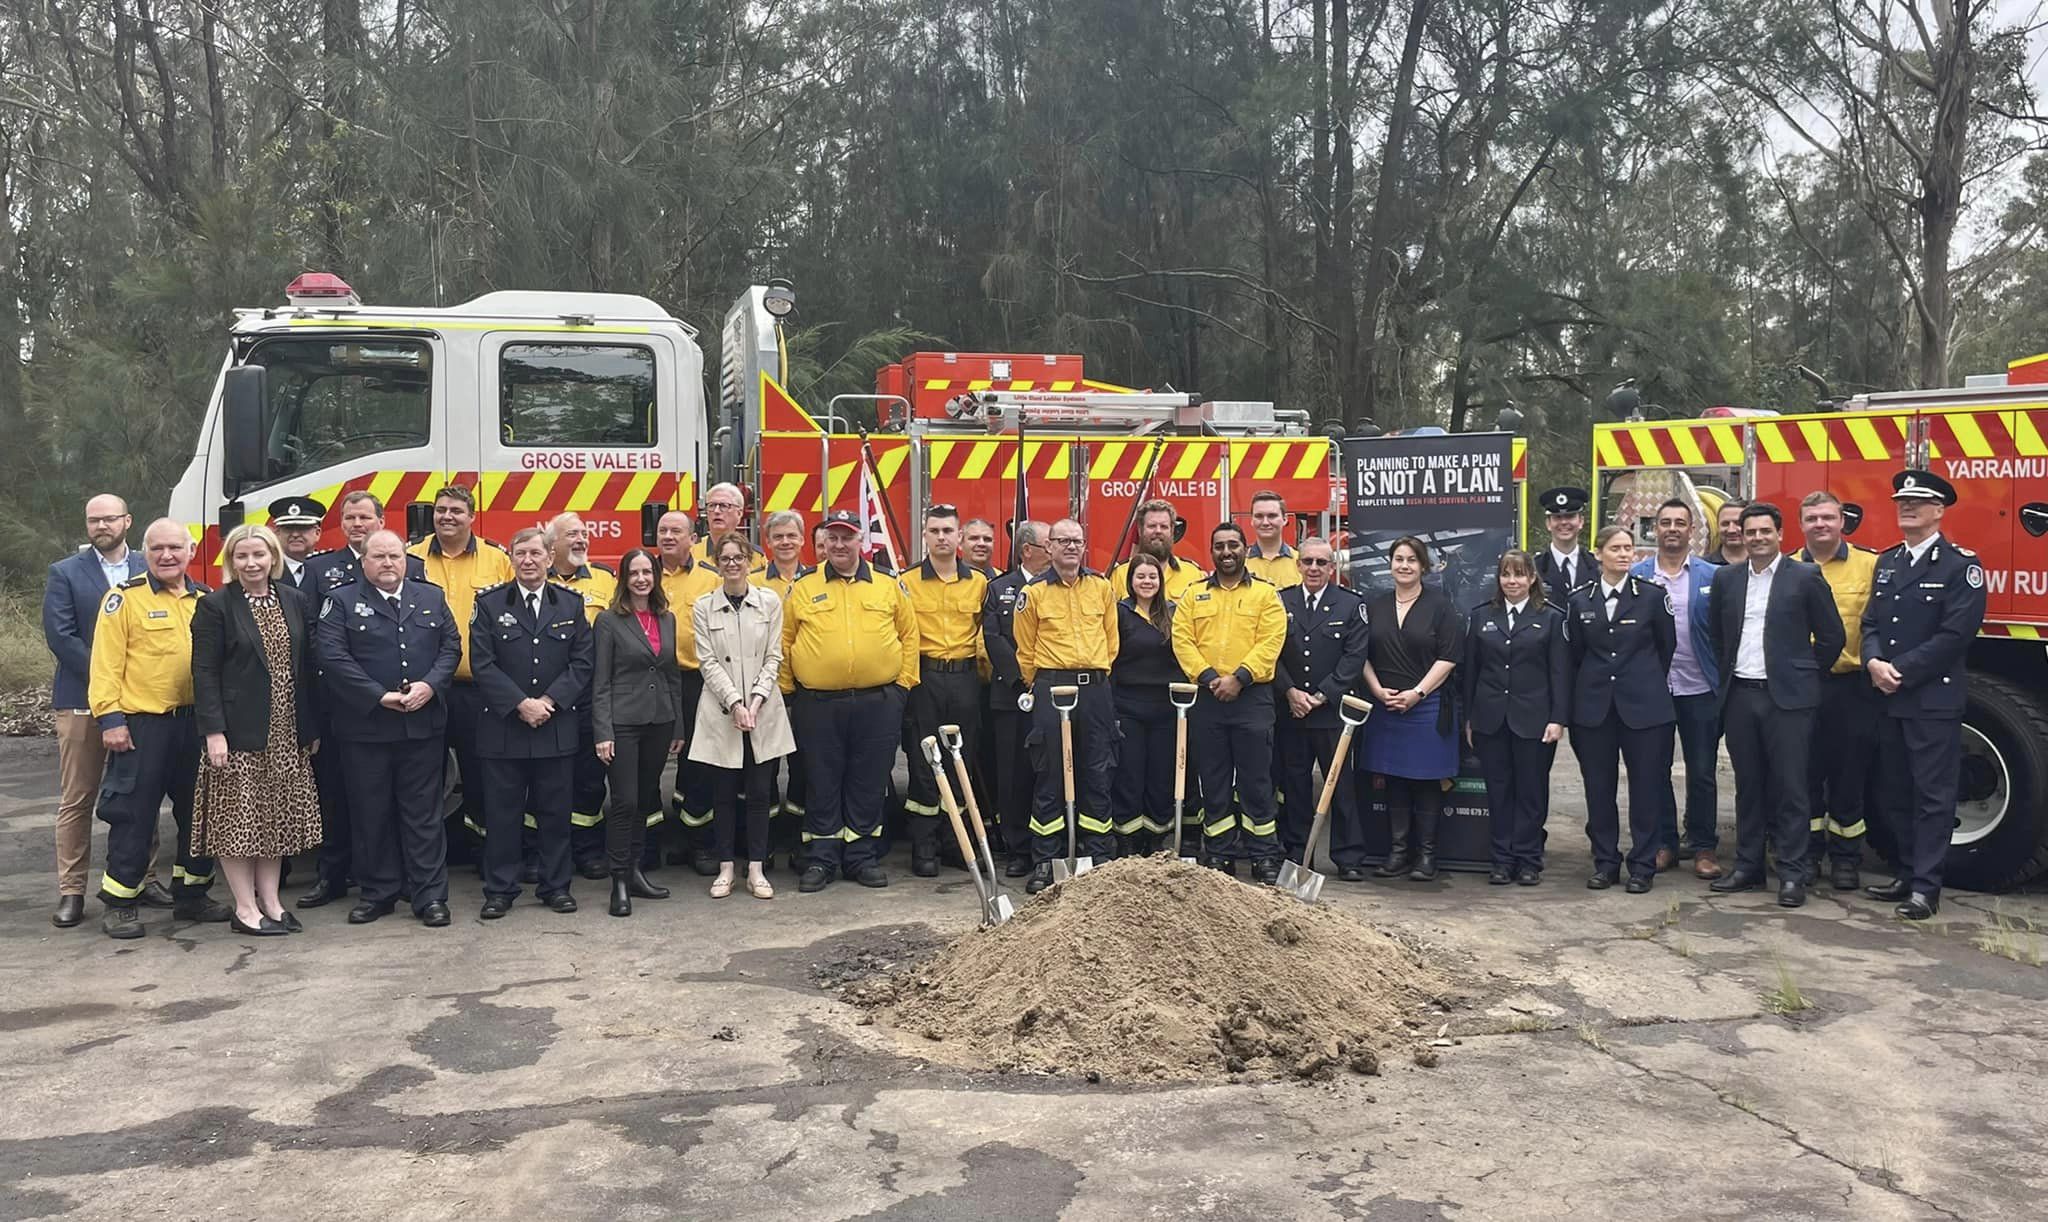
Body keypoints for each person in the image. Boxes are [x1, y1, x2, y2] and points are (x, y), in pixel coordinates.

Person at [87, 519, 227, 938]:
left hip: (196, 726)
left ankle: (192, 895)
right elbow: (105, 665)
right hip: (143, 726)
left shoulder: (206, 599)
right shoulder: (123, 599)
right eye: (157, 549)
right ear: (145, 553)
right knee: (133, 814)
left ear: (190, 550)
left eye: (174, 548)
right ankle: (121, 901)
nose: (167, 556)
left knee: (199, 815)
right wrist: (110, 719)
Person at [316, 529, 461, 926]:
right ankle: (378, 893)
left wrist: (430, 685)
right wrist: (378, 696)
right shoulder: (341, 601)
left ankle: (429, 895)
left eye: (394, 556)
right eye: (378, 557)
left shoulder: (430, 596)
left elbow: (451, 647)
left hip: (422, 726)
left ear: (406, 559)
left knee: (424, 815)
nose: (387, 564)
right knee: (371, 813)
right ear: (363, 562)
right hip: (367, 729)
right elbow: (332, 656)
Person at [1861, 470, 1987, 920]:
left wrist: (1900, 670)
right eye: (1901, 502)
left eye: (1918, 502)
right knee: (1894, 791)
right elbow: (1872, 623)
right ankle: (1906, 872)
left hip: (1931, 698)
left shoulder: (1960, 566)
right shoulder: (1889, 561)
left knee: (1933, 796)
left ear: (1939, 510)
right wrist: (1873, 662)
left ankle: (1926, 889)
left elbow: (1955, 635)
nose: (1907, 508)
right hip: (1888, 695)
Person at [1707, 503, 1845, 908]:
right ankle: (1748, 867)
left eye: (1765, 531)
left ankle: (1791, 872)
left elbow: (1832, 636)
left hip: (1788, 700)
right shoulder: (1727, 579)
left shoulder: (1805, 576)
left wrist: (1804, 675)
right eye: (1750, 532)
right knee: (1748, 787)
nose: (1757, 538)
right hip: (1741, 696)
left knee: (1791, 788)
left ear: (1780, 534)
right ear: (1742, 536)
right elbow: (1717, 636)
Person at [192, 524, 323, 936]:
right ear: (231, 561)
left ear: (273, 558)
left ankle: (271, 902)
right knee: (239, 822)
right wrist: (214, 732)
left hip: (287, 730)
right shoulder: (216, 606)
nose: (251, 563)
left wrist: (310, 725)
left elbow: (308, 669)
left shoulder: (295, 600)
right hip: (239, 733)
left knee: (274, 820)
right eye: (242, 556)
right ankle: (245, 909)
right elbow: (204, 672)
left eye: (259, 555)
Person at [298, 490, 425, 911]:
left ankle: (405, 880)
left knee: (404, 802)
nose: (356, 523)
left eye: (364, 517)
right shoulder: (321, 569)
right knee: (339, 794)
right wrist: (361, 687)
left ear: (380, 521)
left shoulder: (413, 566)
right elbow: (315, 636)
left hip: (404, 705)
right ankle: (332, 875)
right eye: (349, 517)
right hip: (343, 703)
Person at [782, 509, 918, 892]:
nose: (840, 545)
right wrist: (789, 694)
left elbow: (910, 636)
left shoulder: (887, 584)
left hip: (878, 702)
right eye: (833, 538)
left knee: (869, 780)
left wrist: (902, 688)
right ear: (823, 543)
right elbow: (786, 640)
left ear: (862, 541)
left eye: (848, 537)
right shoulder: (804, 587)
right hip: (818, 704)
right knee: (821, 780)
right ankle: (822, 859)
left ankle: (861, 856)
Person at [43, 493, 156, 929]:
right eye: (94, 520)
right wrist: (108, 676)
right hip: (81, 700)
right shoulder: (65, 573)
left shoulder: (149, 567)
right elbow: (62, 636)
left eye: (109, 518)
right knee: (79, 797)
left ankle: (142, 879)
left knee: (137, 791)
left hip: (139, 701)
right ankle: (72, 890)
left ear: (127, 520)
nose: (101, 526)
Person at [471, 528, 595, 918]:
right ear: (510, 556)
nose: (528, 560)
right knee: (502, 815)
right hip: (504, 729)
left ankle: (555, 886)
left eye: (535, 553)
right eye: (520, 553)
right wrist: (521, 704)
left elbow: (582, 662)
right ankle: (500, 890)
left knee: (555, 814)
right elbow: (482, 663)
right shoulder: (489, 604)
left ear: (549, 556)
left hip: (554, 727)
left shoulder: (570, 604)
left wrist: (548, 702)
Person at [1174, 522, 1288, 880]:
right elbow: (1182, 639)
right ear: (1212, 552)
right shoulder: (1193, 595)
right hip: (1208, 697)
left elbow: (1272, 641)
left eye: (1233, 545)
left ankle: (1264, 855)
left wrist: (1239, 678)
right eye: (1220, 546)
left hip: (1252, 697)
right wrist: (1209, 677)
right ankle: (1219, 853)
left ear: (1245, 549)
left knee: (1257, 781)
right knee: (1214, 779)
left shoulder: (1266, 595)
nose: (1227, 552)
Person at [1567, 525, 1676, 893]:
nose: (1624, 554)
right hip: (1595, 708)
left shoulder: (1651, 596)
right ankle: (1605, 862)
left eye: (1628, 548)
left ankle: (1643, 865)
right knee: (1599, 788)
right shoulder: (1580, 599)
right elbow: (1576, 654)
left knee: (1646, 787)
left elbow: (1666, 648)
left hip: (1644, 707)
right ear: (1598, 554)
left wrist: (1639, 682)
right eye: (1615, 548)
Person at [408, 485, 515, 861]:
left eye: (456, 510)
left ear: (472, 516)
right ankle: (427, 858)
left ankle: (483, 854)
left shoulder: (498, 560)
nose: (447, 517)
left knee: (482, 776)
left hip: (478, 690)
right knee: (424, 779)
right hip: (425, 690)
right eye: (441, 510)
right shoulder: (412, 558)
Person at [1015, 518, 1120, 893]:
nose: (1071, 547)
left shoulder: (1102, 587)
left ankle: (1098, 855)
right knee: (1050, 773)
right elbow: (1024, 649)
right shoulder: (1035, 593)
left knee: (1097, 768)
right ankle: (1046, 858)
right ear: (1049, 548)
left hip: (1093, 689)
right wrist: (1041, 684)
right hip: (1051, 687)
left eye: (1077, 540)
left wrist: (1092, 675)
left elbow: (1111, 641)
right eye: (1063, 541)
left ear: (1084, 546)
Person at [692, 534, 797, 899]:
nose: (732, 564)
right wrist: (735, 703)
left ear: (750, 561)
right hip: (722, 712)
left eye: (739, 557)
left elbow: (774, 657)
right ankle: (725, 868)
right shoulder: (704, 607)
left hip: (763, 710)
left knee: (758, 792)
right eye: (725, 558)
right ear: (717, 563)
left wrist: (754, 702)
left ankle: (755, 868)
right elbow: (707, 662)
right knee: (721, 793)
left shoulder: (769, 602)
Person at [1358, 537, 1465, 882]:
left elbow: (1448, 657)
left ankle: (1427, 856)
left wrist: (1417, 693)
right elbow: (1358, 653)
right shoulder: (1374, 605)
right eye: (1398, 559)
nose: (1404, 565)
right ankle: (1398, 852)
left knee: (1426, 782)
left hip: (1427, 704)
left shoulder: (1441, 605)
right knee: (1394, 781)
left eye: (1411, 560)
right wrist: (1376, 690)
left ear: (1423, 566)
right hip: (1384, 705)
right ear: (1390, 564)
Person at [1463, 550, 1571, 886]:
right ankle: (1501, 860)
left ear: (1532, 578)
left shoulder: (1551, 618)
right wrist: (1469, 718)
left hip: (1534, 720)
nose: (1512, 581)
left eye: (1520, 574)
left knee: (1531, 791)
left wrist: (1558, 718)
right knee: (1498, 792)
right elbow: (1471, 672)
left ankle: (1528, 860)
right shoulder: (1482, 616)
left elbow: (1560, 673)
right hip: (1491, 718)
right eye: (1506, 574)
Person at [1630, 499, 1725, 879]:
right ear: (1655, 529)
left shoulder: (1712, 577)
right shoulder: (1637, 576)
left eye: (1680, 523)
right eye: (1665, 522)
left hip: (1699, 687)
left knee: (1702, 771)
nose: (1672, 528)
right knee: (1655, 770)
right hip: (1653, 689)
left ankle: (1703, 847)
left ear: (1692, 530)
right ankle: (1664, 843)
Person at [1796, 491, 1881, 891]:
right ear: (1802, 525)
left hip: (1851, 686)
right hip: (1802, 685)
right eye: (1812, 518)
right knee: (1805, 773)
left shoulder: (1870, 565)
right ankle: (1809, 854)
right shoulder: (1787, 567)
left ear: (1842, 522)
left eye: (1828, 517)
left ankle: (1846, 859)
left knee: (1850, 775)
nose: (1820, 525)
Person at [899, 504, 990, 875]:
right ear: (925, 535)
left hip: (966, 679)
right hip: (926, 678)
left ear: (959, 538)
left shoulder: (979, 583)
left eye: (947, 531)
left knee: (961, 762)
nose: (941, 537)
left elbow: (985, 636)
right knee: (924, 764)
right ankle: (925, 846)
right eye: (934, 530)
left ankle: (956, 842)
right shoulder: (906, 582)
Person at [592, 548, 682, 917]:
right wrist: (602, 731)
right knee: (625, 801)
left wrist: (677, 724)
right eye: (634, 573)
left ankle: (636, 871)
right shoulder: (609, 621)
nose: (642, 579)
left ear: (656, 577)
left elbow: (672, 674)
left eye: (648, 572)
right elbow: (600, 681)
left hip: (659, 722)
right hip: (622, 723)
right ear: (624, 579)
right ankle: (618, 882)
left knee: (646, 800)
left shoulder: (667, 618)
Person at [1274, 538, 1371, 878]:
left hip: (1332, 714)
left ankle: (1349, 858)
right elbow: (1269, 650)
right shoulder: (1280, 601)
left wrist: (1320, 696)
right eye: (1308, 562)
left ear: (1333, 568)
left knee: (1341, 787)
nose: (1314, 568)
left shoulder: (1350, 604)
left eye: (1321, 563)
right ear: (1298, 565)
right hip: (1293, 712)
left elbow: (1354, 657)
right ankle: (1300, 855)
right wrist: (1289, 692)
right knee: (1295, 787)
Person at [546, 511, 616, 878]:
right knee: (548, 776)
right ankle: (544, 851)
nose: (581, 540)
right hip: (548, 694)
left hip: (590, 693)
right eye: (572, 534)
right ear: (552, 544)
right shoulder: (535, 576)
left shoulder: (605, 578)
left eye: (584, 534)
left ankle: (587, 849)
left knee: (589, 777)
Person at [983, 520, 1050, 876]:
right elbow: (994, 638)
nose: (1054, 551)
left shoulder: (1056, 587)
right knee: (1011, 774)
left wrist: (1045, 679)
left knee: (1048, 772)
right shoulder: (1000, 588)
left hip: (1051, 692)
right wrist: (1021, 680)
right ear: (1028, 551)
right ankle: (1018, 847)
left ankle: (1047, 844)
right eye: (1047, 544)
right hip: (1012, 695)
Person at [655, 510, 720, 873]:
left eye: (676, 531)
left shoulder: (709, 579)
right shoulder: (642, 575)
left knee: (697, 765)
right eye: (663, 530)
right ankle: (652, 844)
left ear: (692, 538)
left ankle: (698, 842)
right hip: (653, 680)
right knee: (650, 762)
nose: (668, 536)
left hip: (697, 681)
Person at [1110, 552, 1183, 853]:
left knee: (1161, 775)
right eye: (1140, 576)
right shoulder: (1118, 613)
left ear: (1161, 580)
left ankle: (1156, 839)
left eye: (1152, 576)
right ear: (1130, 581)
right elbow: (1109, 659)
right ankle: (1127, 839)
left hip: (1165, 708)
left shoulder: (1173, 613)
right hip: (1127, 706)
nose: (1147, 581)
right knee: (1129, 773)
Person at [759, 509, 810, 867]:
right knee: (763, 772)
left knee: (803, 770)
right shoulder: (753, 581)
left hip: (805, 691)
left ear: (803, 540)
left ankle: (796, 839)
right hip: (764, 691)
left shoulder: (816, 581)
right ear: (768, 542)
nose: (785, 542)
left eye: (791, 536)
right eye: (778, 537)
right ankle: (765, 842)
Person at [1109, 499, 1205, 601]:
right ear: (1140, 530)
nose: (1158, 531)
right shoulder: (1119, 575)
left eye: (1163, 527)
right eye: (1152, 526)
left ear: (1172, 531)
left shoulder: (1193, 574)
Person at [1533, 487, 1597, 606]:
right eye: (1557, 517)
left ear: (1581, 522)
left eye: (1570, 516)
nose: (1563, 522)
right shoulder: (1534, 567)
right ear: (1548, 524)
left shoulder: (1597, 565)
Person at [692, 482, 765, 571]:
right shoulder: (691, 551)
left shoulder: (756, 557)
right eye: (712, 505)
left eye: (724, 506)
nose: (716, 511)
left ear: (739, 513)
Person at [1244, 490, 1302, 590]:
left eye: (1272, 516)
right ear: (1252, 520)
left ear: (1285, 519)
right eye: (1259, 516)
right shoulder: (1241, 563)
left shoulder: (1301, 561)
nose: (1265, 522)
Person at [267, 496, 326, 589]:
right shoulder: (266, 570)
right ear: (277, 533)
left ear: (317, 533)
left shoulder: (330, 567)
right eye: (288, 528)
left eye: (302, 528)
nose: (295, 534)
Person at [1708, 498, 1748, 566]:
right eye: (1725, 524)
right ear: (1717, 526)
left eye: (1738, 523)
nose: (1731, 530)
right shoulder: (1703, 566)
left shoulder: (1763, 563)